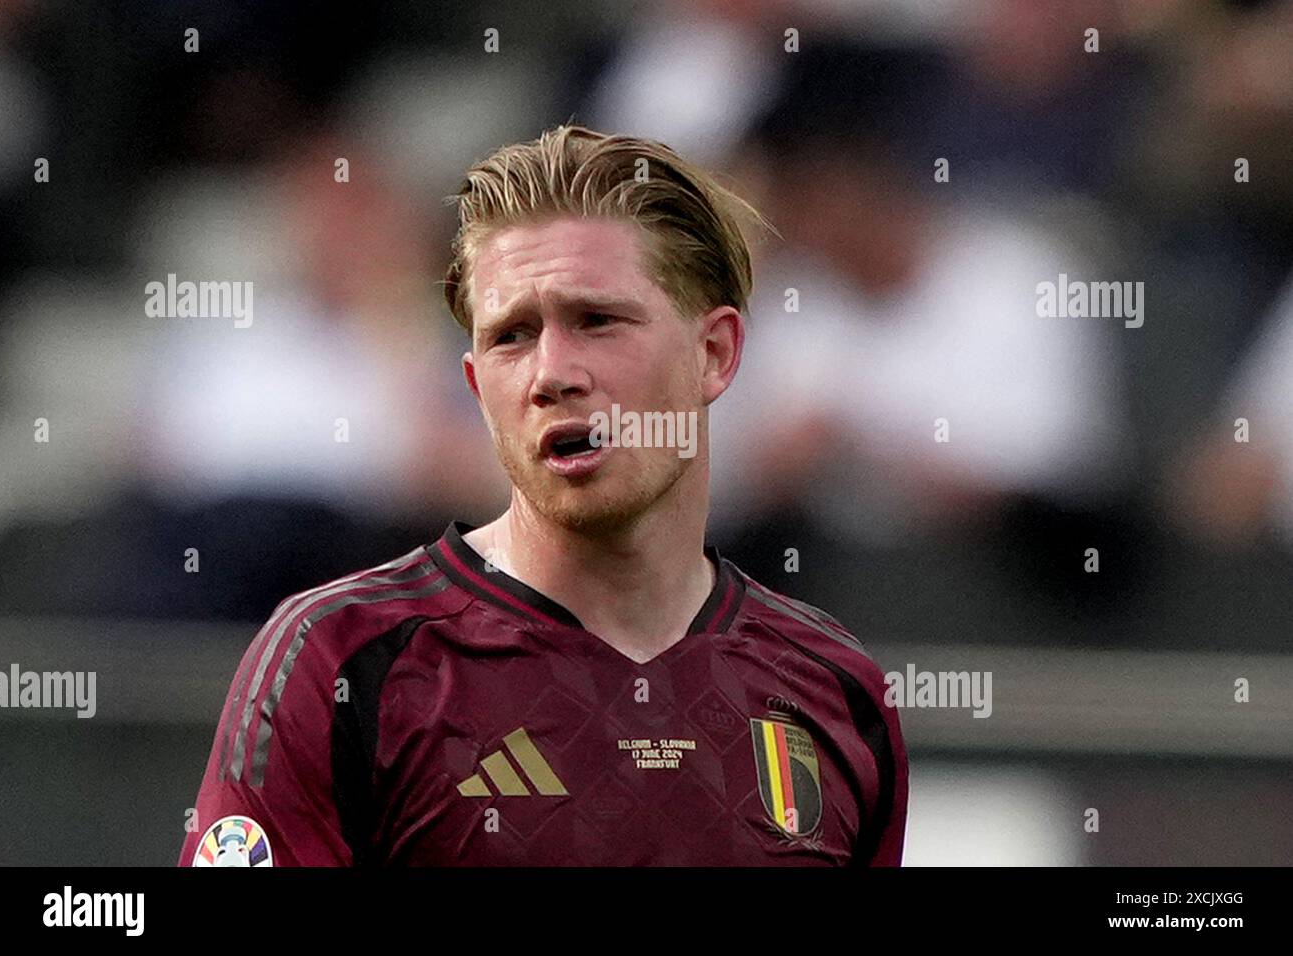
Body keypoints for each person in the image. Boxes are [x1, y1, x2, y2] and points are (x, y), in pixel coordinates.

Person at [178, 125, 908, 866]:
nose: (552, 372)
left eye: (596, 320)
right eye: (512, 337)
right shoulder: (341, 663)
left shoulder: (832, 689)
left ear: (713, 353)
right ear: (475, 388)